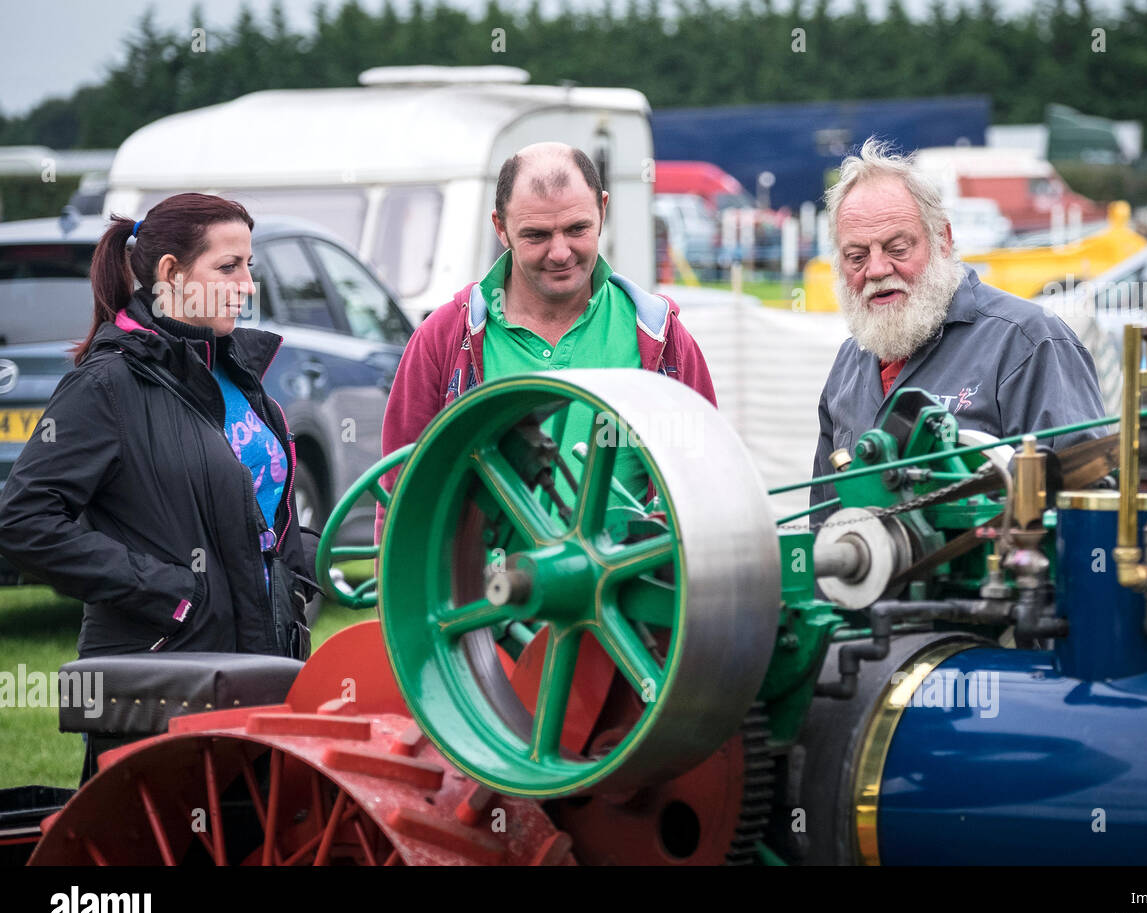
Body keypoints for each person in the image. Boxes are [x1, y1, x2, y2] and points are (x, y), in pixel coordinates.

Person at [0, 193, 317, 660]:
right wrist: (175, 596)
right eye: (229, 267)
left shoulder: (235, 373)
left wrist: (299, 570)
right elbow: (22, 521)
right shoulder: (106, 384)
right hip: (165, 675)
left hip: (266, 664)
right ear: (172, 274)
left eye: (249, 265)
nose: (248, 286)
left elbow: (261, 509)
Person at [376, 142, 716, 538]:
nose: (560, 252)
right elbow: (402, 488)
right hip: (486, 596)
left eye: (577, 229)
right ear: (500, 228)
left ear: (603, 211)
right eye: (536, 235)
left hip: (627, 595)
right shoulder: (444, 337)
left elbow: (707, 481)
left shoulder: (660, 336)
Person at [811, 138, 1108, 515]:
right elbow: (823, 523)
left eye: (897, 249)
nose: (877, 270)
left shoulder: (1029, 343)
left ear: (943, 241)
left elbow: (1085, 502)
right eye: (856, 256)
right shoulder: (847, 366)